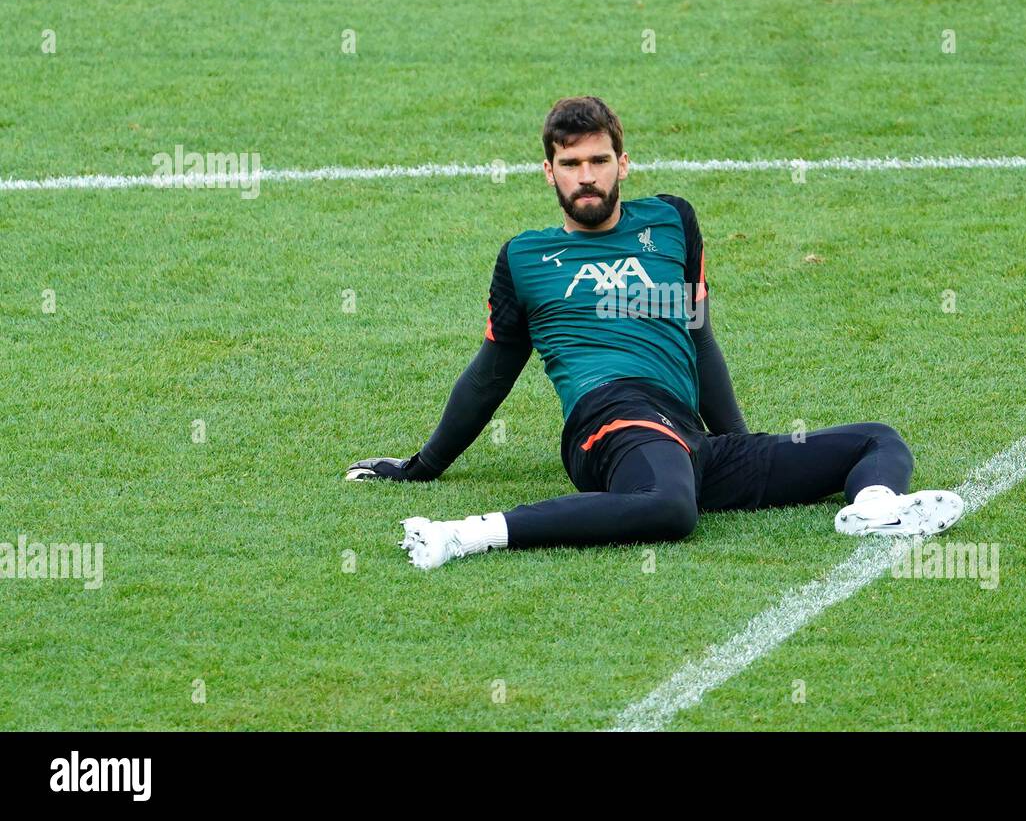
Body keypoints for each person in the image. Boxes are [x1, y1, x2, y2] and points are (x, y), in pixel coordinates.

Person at [347, 96, 963, 569]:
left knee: (874, 441)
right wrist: (422, 466)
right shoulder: (524, 258)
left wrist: (739, 445)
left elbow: (698, 336)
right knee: (671, 508)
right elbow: (491, 373)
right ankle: (462, 533)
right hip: (606, 417)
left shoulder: (671, 220)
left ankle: (877, 511)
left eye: (597, 160)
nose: (585, 176)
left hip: (684, 435)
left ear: (623, 163)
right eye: (570, 164)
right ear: (548, 172)